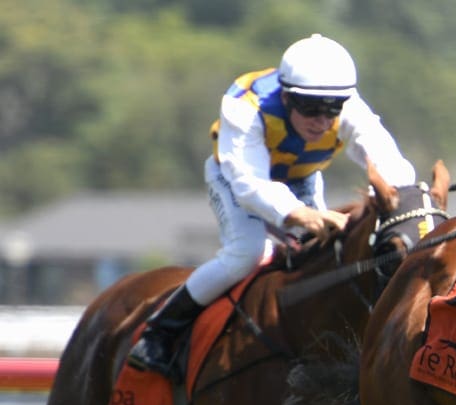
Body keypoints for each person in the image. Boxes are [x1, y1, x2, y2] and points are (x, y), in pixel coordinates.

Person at [127, 33, 417, 379]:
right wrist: (304, 215)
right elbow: (250, 185)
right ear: (286, 96)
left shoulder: (348, 104)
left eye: (332, 109)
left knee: (318, 256)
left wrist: (408, 196)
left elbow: (389, 161)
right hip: (235, 179)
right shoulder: (246, 106)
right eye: (311, 108)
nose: (323, 121)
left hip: (302, 178)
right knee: (245, 254)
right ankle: (159, 333)